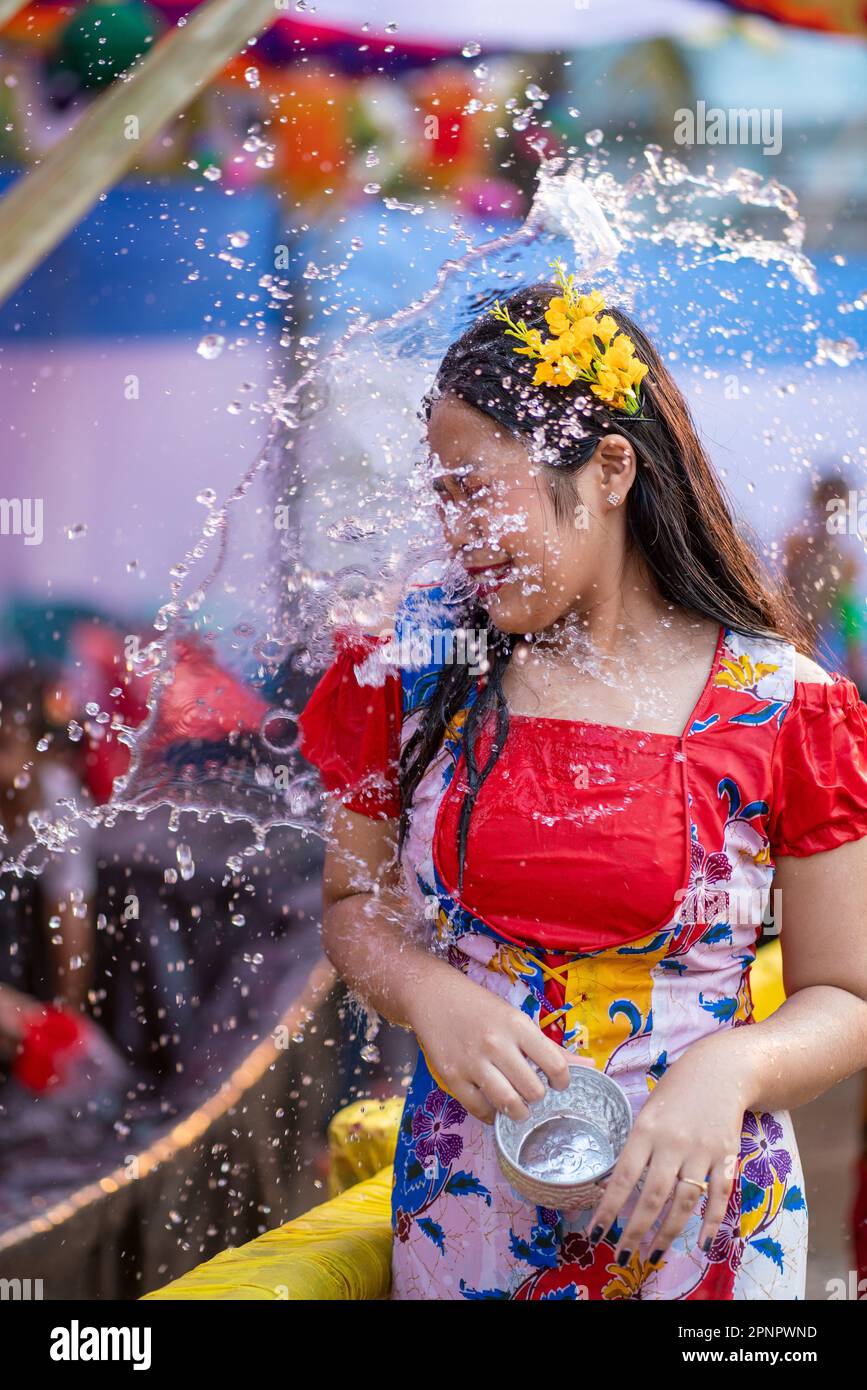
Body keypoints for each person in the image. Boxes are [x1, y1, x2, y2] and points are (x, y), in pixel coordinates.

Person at [298, 268, 867, 1300]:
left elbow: (847, 994)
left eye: (483, 492)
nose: (461, 535)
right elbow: (352, 906)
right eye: (445, 497)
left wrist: (728, 1070)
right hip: (469, 1214)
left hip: (708, 1223)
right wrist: (430, 994)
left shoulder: (787, 706)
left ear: (610, 470)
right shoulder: (408, 676)